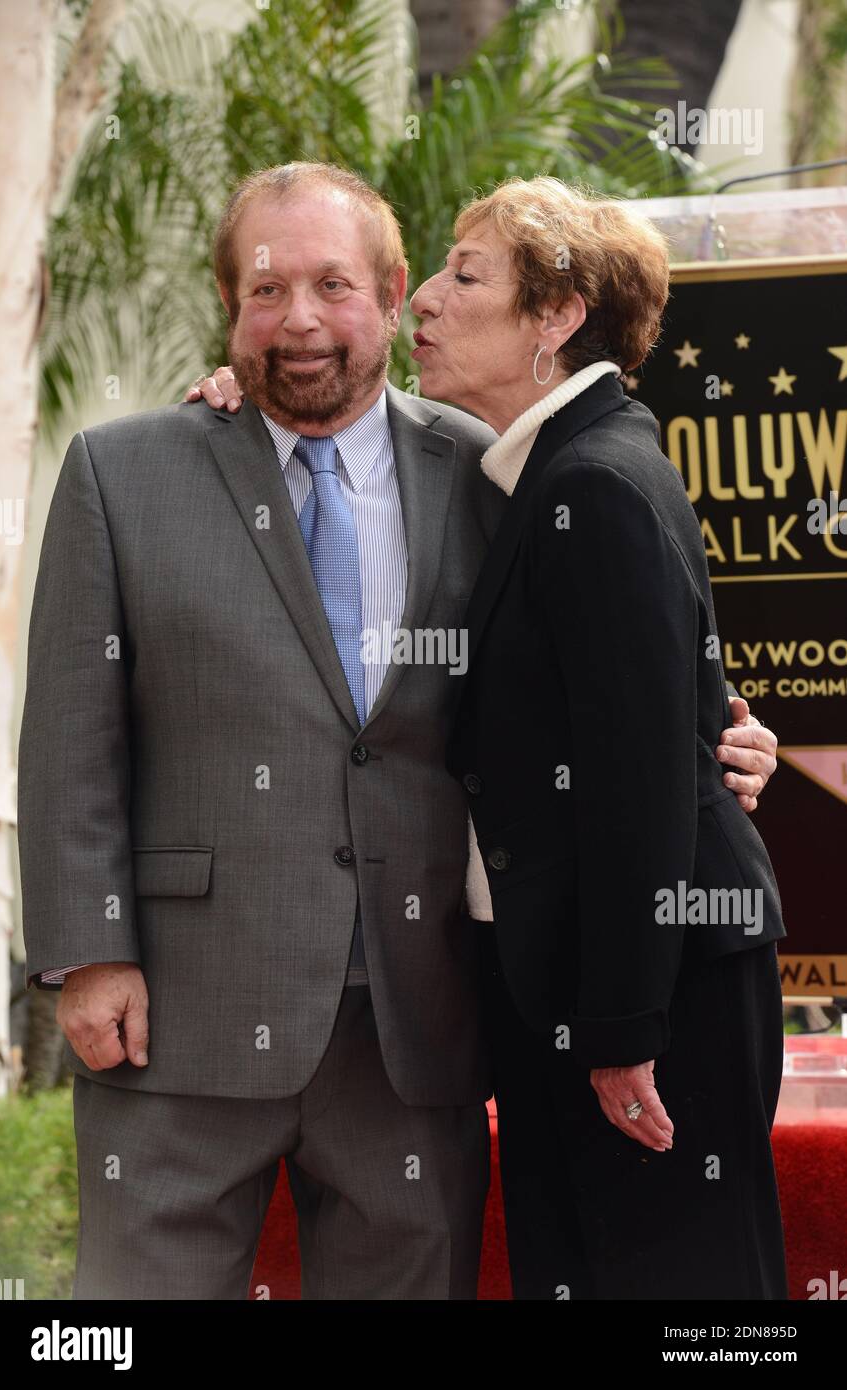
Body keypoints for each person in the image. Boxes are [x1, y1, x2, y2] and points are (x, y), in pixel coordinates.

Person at [18, 160, 775, 1303]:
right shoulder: (125, 472)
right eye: (266, 293)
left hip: (418, 1024)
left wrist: (719, 743)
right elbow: (72, 732)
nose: (300, 319)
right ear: (230, 309)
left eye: (333, 285)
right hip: (179, 1016)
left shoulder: (496, 472)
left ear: (389, 291)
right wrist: (89, 951)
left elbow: (607, 670)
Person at [411, 176, 789, 1300]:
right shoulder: (558, 469)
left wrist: (621, 1028)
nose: (421, 300)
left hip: (641, 992)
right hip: (591, 983)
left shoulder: (593, 481)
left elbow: (630, 784)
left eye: (463, 274)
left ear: (557, 313)